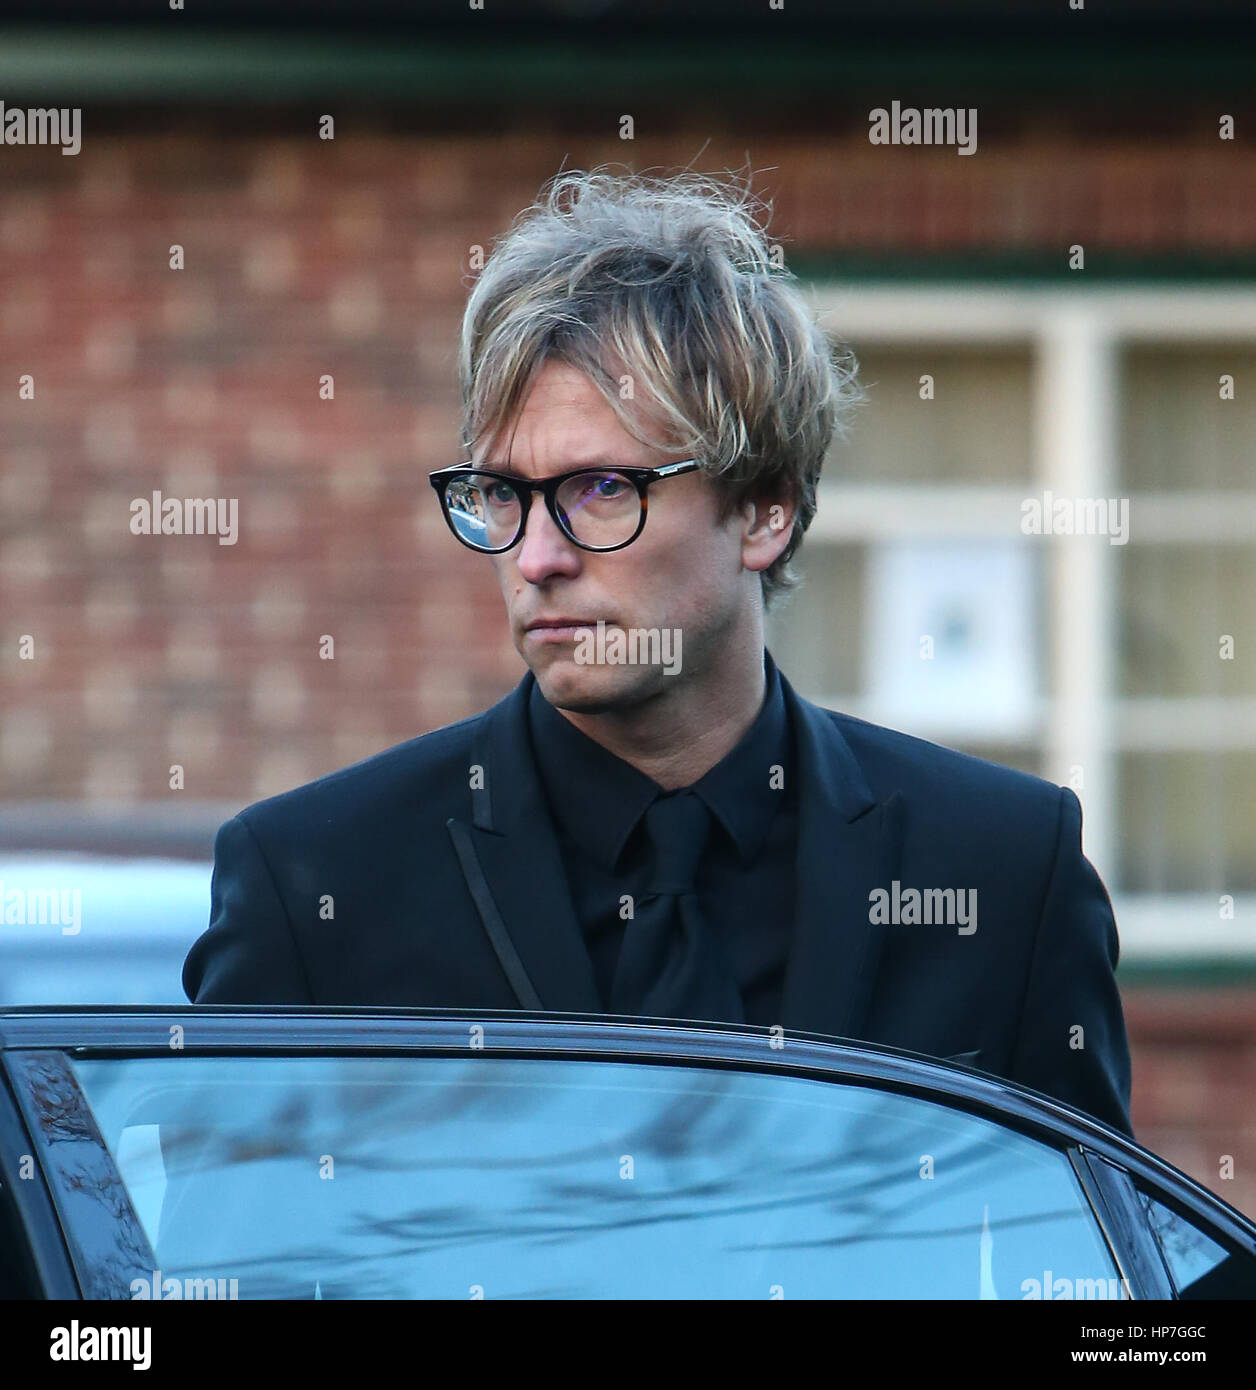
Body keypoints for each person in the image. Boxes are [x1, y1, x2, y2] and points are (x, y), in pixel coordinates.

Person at [183, 167, 1133, 1138]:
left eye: (600, 488)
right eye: (501, 494)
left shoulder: (1003, 867)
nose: (536, 557)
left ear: (764, 511)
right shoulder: (315, 879)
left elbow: (1087, 1261)